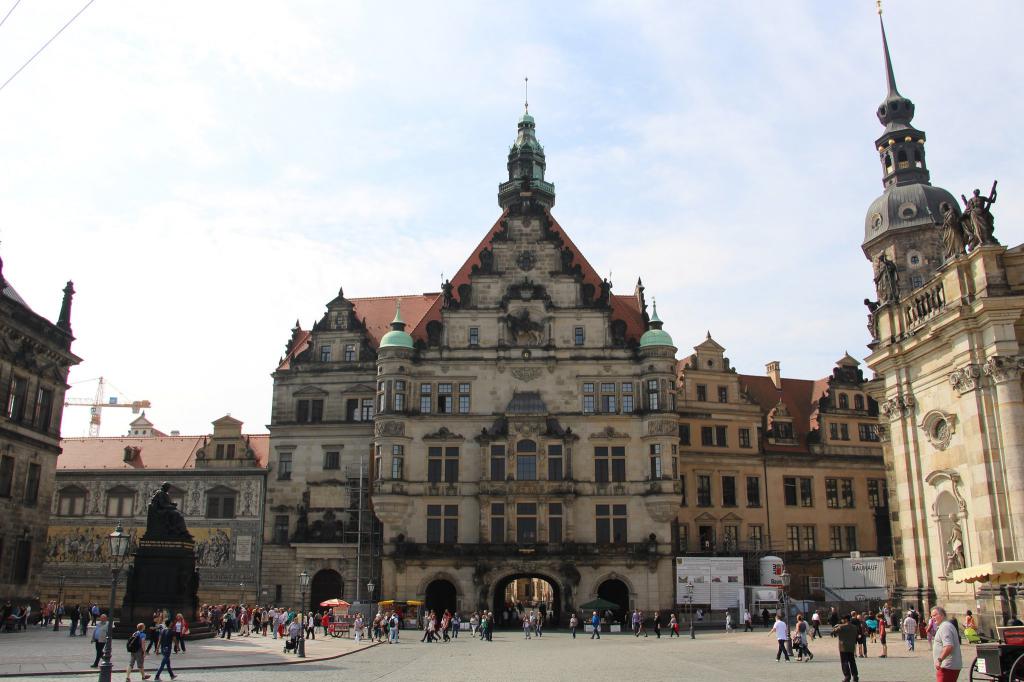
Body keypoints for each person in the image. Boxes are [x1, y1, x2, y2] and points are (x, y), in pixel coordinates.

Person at [932, 607, 963, 682]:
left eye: (934, 615)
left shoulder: (945, 627)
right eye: (931, 616)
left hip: (947, 666)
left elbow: (948, 646)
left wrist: (939, 660)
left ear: (942, 615)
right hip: (948, 666)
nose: (932, 618)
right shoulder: (945, 626)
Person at [834, 614, 860, 682]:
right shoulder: (854, 627)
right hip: (851, 647)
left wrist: (837, 626)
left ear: (845, 619)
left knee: (844, 662)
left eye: (842, 619)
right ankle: (855, 676)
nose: (841, 621)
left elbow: (833, 632)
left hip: (843, 647)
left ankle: (847, 677)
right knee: (852, 662)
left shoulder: (841, 627)